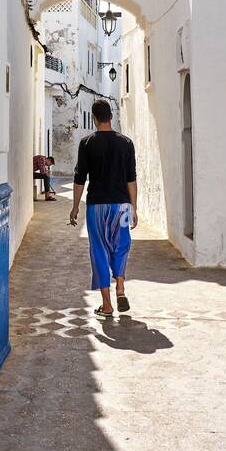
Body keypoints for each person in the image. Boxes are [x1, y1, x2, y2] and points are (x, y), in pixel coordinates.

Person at [70, 100, 138, 316]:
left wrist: (74, 207)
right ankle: (120, 287)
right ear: (111, 116)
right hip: (121, 206)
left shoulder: (87, 143)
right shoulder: (126, 143)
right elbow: (131, 179)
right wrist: (134, 207)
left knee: (99, 250)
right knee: (121, 245)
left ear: (94, 118)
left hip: (96, 206)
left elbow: (80, 178)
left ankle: (107, 304)